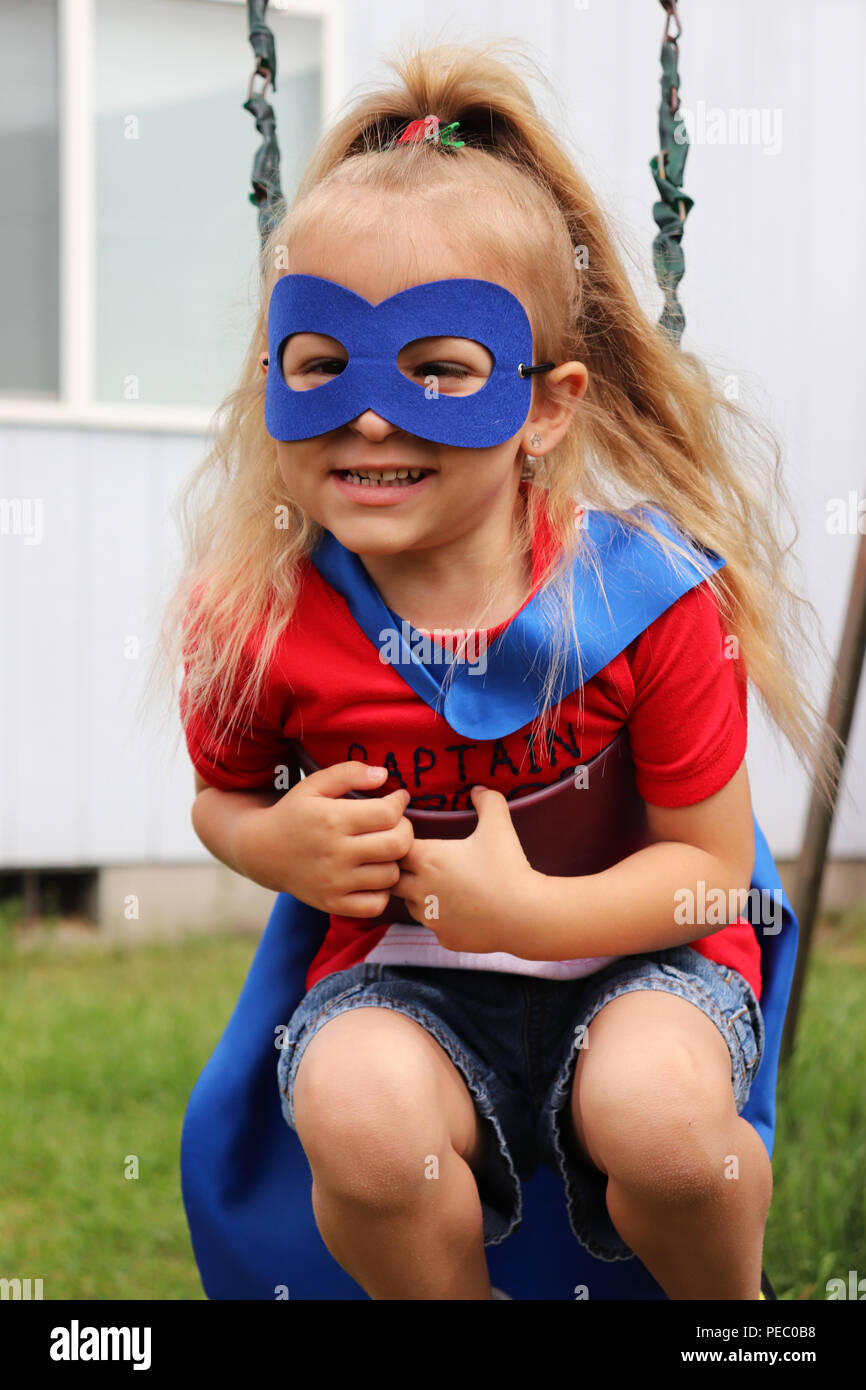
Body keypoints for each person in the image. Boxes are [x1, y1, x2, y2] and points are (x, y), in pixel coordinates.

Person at [156, 40, 835, 1300]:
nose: (371, 414)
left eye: (437, 370)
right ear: (274, 378)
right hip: (408, 982)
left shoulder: (650, 603)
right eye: (321, 365)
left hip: (647, 966)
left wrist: (527, 917)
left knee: (663, 1127)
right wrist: (274, 847)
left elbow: (706, 881)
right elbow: (222, 798)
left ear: (546, 404)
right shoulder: (253, 614)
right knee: (358, 1115)